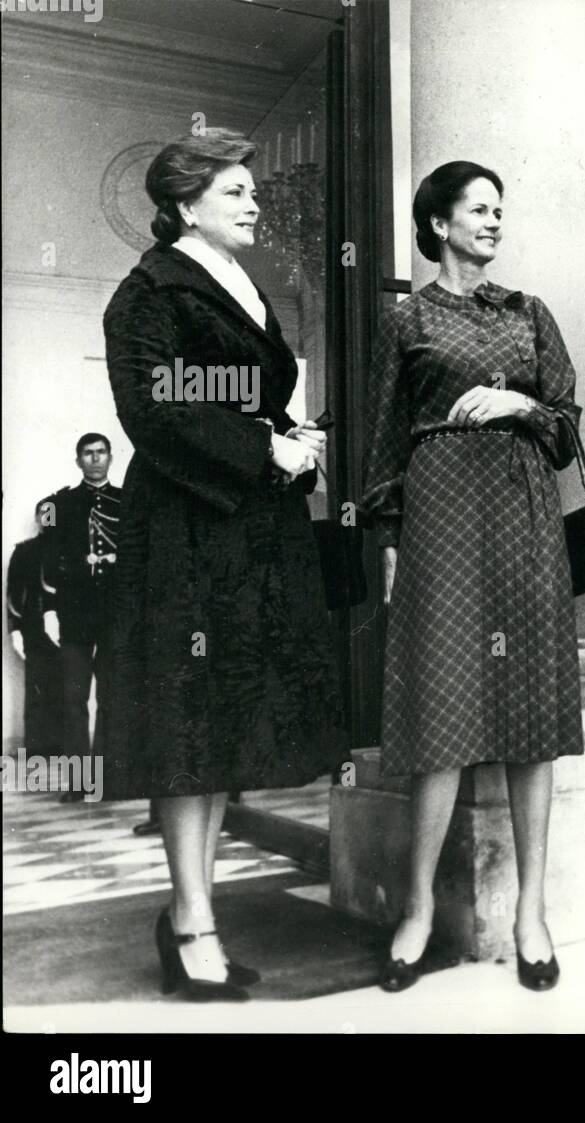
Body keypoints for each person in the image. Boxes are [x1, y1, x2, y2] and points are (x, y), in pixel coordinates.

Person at [100, 128, 348, 1001]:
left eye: (251, 189)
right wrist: (261, 449)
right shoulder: (150, 292)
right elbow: (158, 403)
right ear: (185, 205)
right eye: (237, 190)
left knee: (219, 729)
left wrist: (288, 438)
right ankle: (194, 919)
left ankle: (188, 916)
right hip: (186, 529)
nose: (253, 203)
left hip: (248, 531)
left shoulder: (241, 284)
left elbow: (244, 394)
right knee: (187, 728)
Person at [361, 161, 584, 994]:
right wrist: (383, 534)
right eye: (478, 210)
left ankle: (532, 912)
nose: (494, 221)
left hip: (524, 515)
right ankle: (416, 910)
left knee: (531, 707)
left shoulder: (530, 313)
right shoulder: (407, 316)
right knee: (442, 707)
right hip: (440, 519)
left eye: (501, 209)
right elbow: (383, 435)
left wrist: (518, 405)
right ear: (438, 223)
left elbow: (566, 426)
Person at [41, 434, 120, 801]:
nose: (95, 459)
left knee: (111, 697)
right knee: (73, 697)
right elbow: (48, 560)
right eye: (88, 454)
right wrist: (50, 610)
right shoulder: (61, 504)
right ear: (78, 461)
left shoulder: (126, 501)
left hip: (114, 613)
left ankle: (104, 779)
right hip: (74, 613)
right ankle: (78, 780)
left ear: (110, 457)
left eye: (101, 452)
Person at [7, 501, 62, 760]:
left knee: (68, 689)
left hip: (69, 630)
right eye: (45, 513)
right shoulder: (25, 551)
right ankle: (38, 749)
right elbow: (13, 595)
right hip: (34, 630)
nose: (49, 518)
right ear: (38, 518)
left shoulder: (71, 549)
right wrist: (15, 629)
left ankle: (65, 747)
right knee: (37, 688)